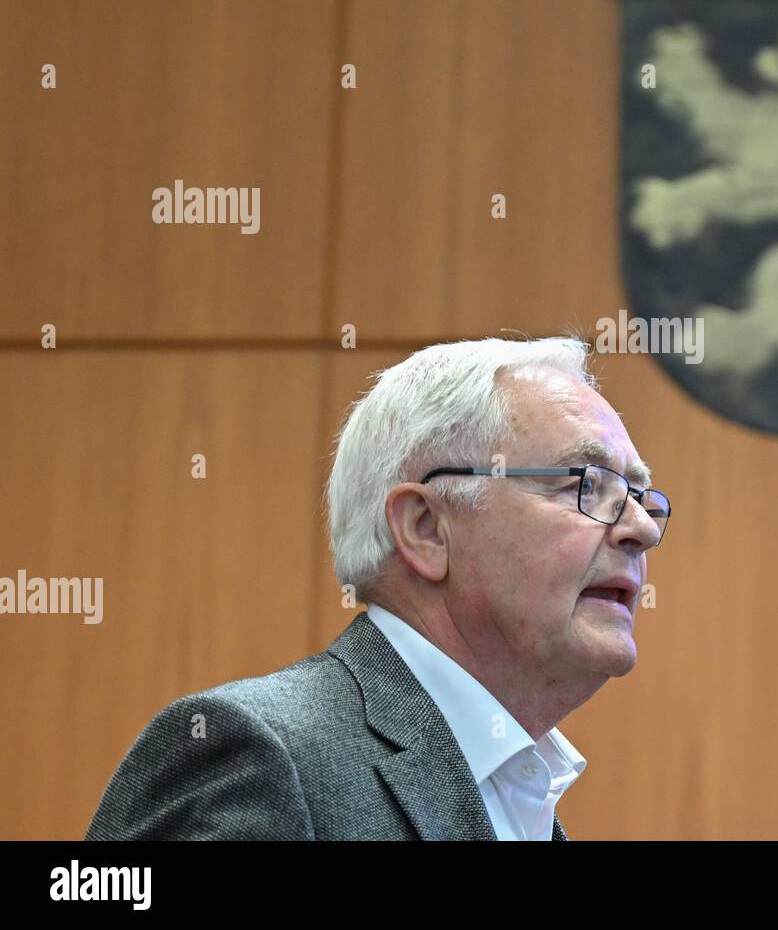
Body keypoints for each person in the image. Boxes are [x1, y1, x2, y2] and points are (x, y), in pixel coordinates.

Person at [85, 336, 670, 840]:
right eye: (586, 484)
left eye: (642, 497)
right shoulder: (255, 756)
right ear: (426, 530)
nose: (641, 528)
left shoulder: (523, 786)